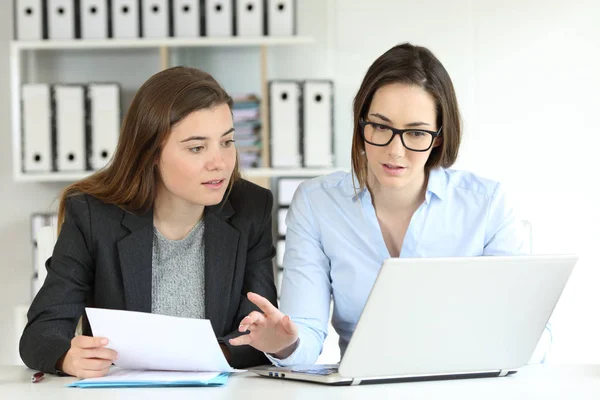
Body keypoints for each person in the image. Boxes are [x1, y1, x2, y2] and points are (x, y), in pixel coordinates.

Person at [229, 43, 533, 365]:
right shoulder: (317, 203)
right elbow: (304, 335)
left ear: (439, 137)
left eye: (416, 133)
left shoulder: (486, 205)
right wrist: (284, 344)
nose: (395, 151)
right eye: (380, 127)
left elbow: (528, 331)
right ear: (361, 125)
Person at [20, 66, 278, 377]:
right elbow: (41, 333)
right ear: (151, 153)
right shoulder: (93, 214)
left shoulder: (251, 207)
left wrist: (196, 357)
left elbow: (258, 332)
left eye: (227, 142)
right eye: (197, 147)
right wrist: (67, 358)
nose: (219, 163)